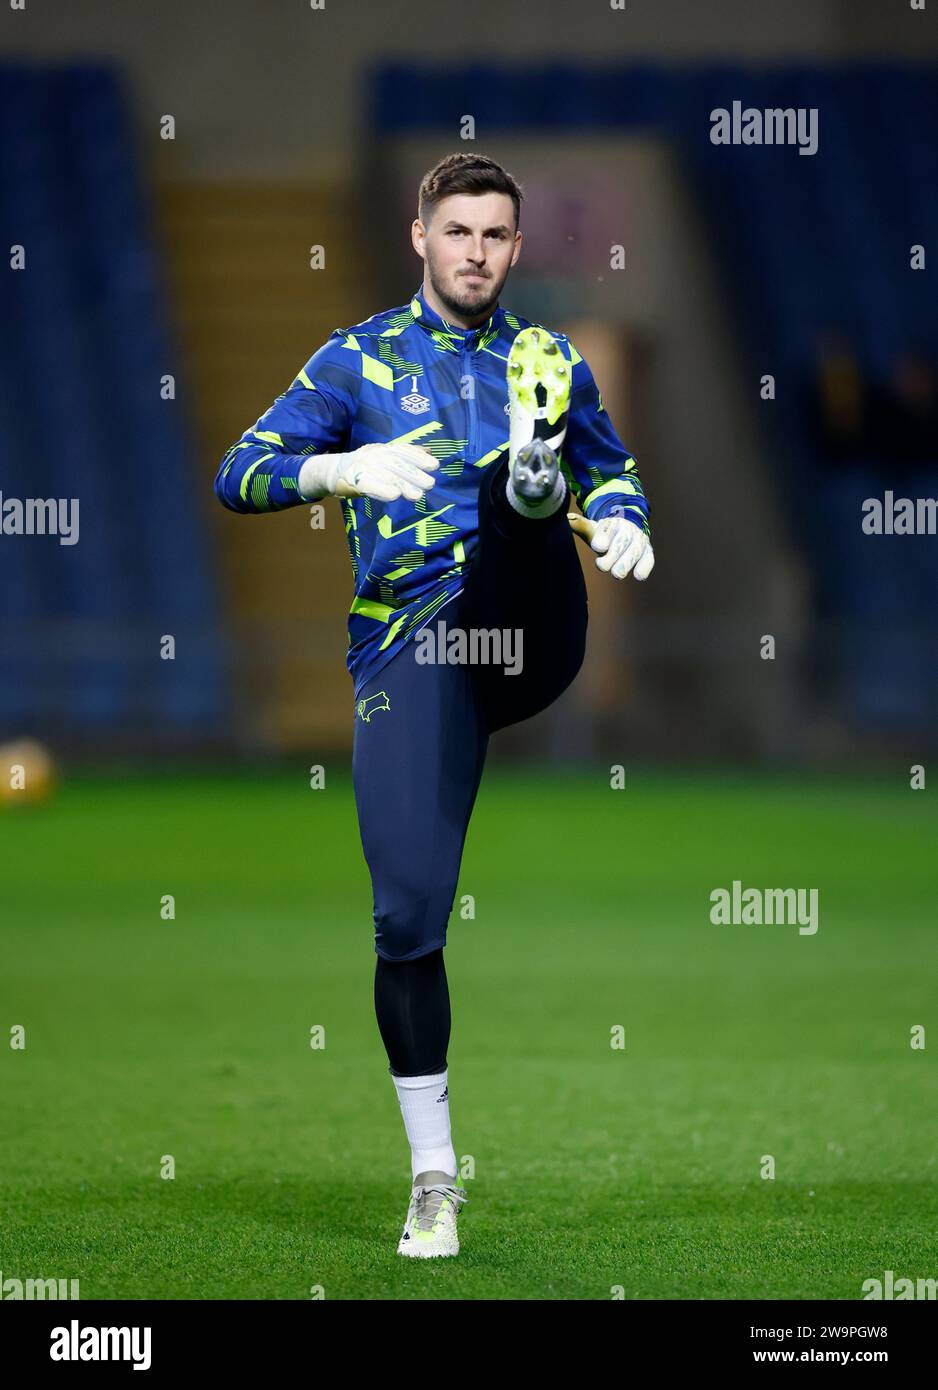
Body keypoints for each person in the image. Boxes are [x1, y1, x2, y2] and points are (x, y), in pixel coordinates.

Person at [214, 152, 653, 1257]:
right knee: (407, 912)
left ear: (514, 246)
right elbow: (240, 469)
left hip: (526, 627)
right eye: (456, 231)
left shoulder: (544, 359)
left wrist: (619, 508)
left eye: (495, 235)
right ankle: (432, 1180)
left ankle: (529, 480)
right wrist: (341, 472)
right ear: (420, 238)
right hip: (414, 647)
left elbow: (621, 473)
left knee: (528, 491)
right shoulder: (354, 361)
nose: (475, 252)